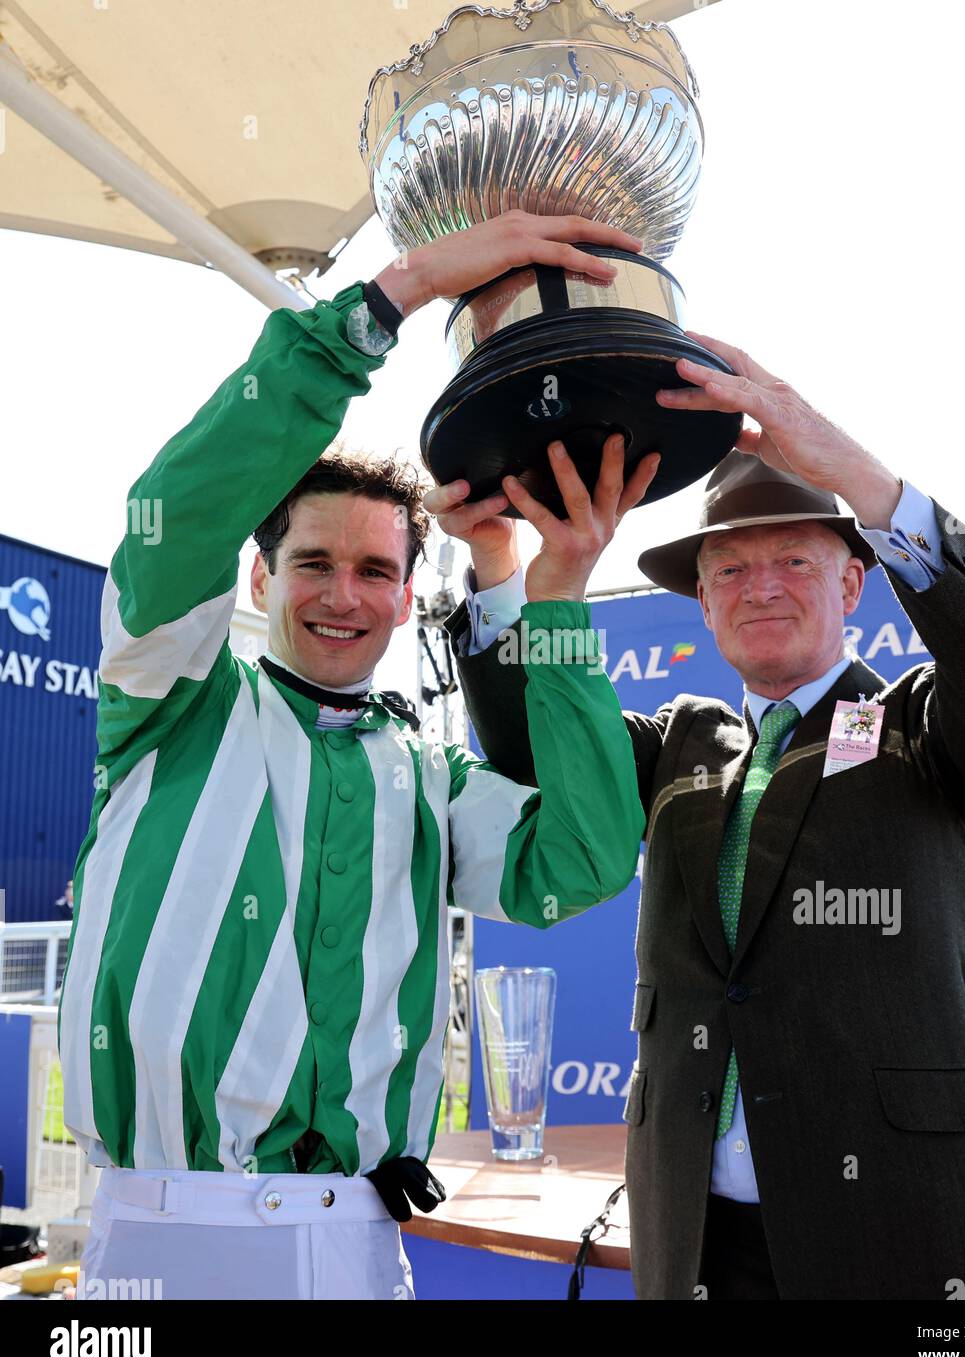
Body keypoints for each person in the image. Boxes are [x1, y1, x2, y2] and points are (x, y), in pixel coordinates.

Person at [58, 211, 654, 1301]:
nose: (344, 595)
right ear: (256, 580)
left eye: (377, 571)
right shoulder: (171, 701)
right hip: (159, 1240)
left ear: (405, 594)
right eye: (314, 561)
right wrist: (399, 290)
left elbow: (584, 859)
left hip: (358, 1250)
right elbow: (170, 516)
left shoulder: (427, 776)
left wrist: (548, 592)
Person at [435, 335, 965, 1300]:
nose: (761, 585)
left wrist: (854, 476)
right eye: (729, 571)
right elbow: (542, 758)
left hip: (904, 1233)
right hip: (697, 1242)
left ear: (854, 582)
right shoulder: (678, 740)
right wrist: (499, 568)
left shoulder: (916, 726)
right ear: (701, 600)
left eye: (792, 558)